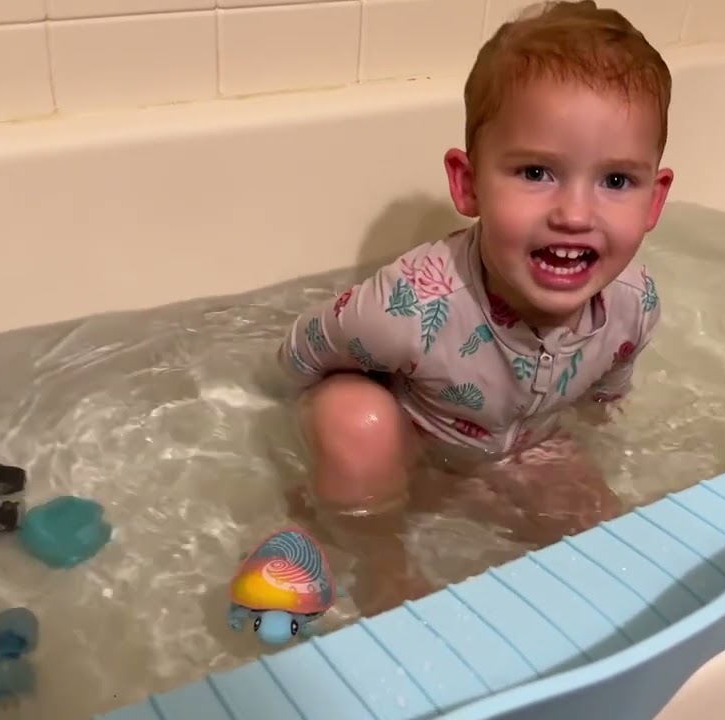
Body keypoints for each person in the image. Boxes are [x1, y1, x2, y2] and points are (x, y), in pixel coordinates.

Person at [276, 0, 674, 616]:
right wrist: (321, 437)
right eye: (536, 171)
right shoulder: (411, 303)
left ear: (655, 199)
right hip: (409, 434)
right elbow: (302, 350)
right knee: (357, 422)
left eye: (616, 181)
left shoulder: (634, 302)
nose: (575, 214)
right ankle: (381, 562)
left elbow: (606, 394)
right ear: (468, 184)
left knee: (606, 543)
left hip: (516, 444)